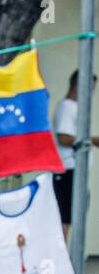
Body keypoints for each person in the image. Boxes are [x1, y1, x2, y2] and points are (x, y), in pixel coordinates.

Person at [53, 69, 98, 242]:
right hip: (67, 172)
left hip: (76, 172)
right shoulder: (67, 106)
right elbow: (64, 137)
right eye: (90, 89)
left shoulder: (75, 108)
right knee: (63, 220)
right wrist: (91, 140)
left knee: (71, 219)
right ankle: (59, 261)